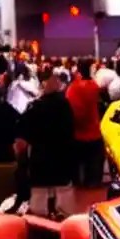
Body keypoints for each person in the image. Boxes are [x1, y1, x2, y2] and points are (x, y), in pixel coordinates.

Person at [17, 74, 76, 217]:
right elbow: (71, 130)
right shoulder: (66, 106)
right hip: (61, 160)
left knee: (39, 207)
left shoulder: (34, 107)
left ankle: (41, 228)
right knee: (64, 204)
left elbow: (23, 139)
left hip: (40, 162)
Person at [66, 58, 105, 189]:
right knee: (93, 176)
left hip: (78, 135)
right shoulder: (93, 86)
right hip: (94, 134)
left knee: (77, 178)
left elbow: (72, 111)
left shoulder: (73, 88)